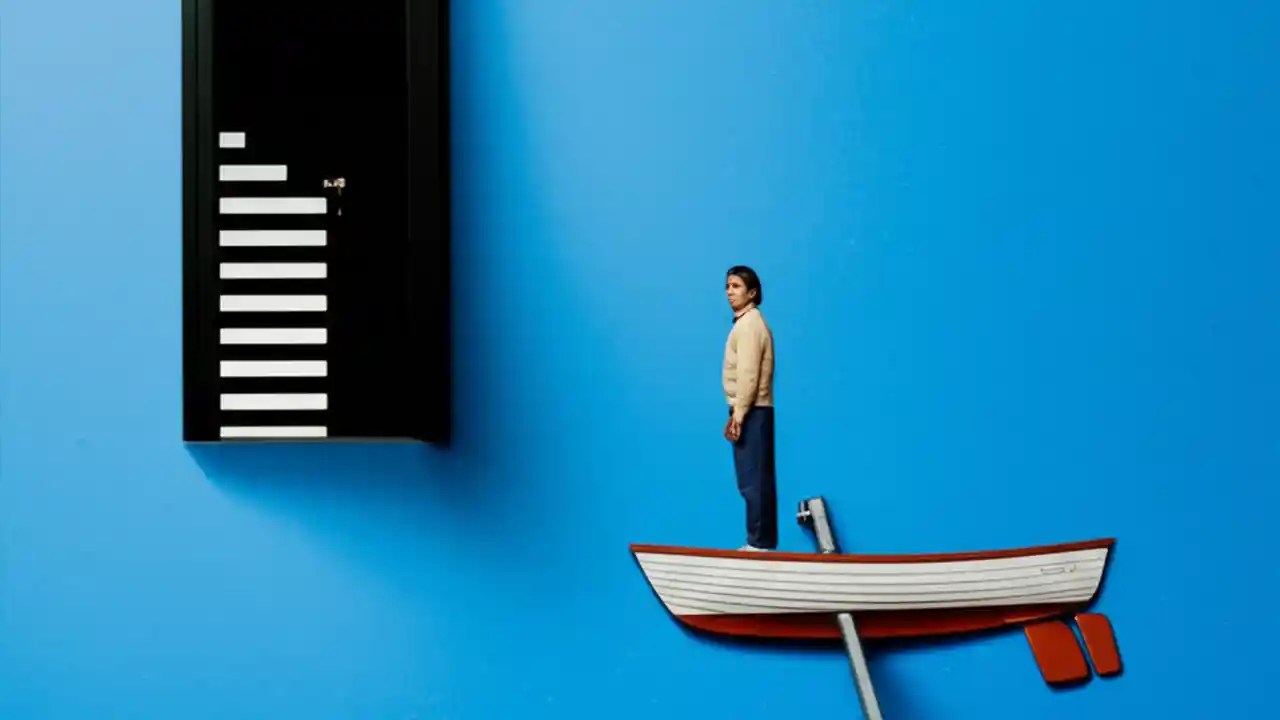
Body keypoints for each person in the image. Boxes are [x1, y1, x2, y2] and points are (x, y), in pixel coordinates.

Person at [721, 265, 777, 551]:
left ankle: (759, 543)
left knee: (754, 481)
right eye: (728, 286)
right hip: (749, 409)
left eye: (736, 286)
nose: (730, 292)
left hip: (752, 410)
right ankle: (758, 541)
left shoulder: (750, 324)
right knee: (751, 480)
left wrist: (739, 415)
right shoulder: (745, 323)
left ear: (752, 292)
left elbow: (749, 375)